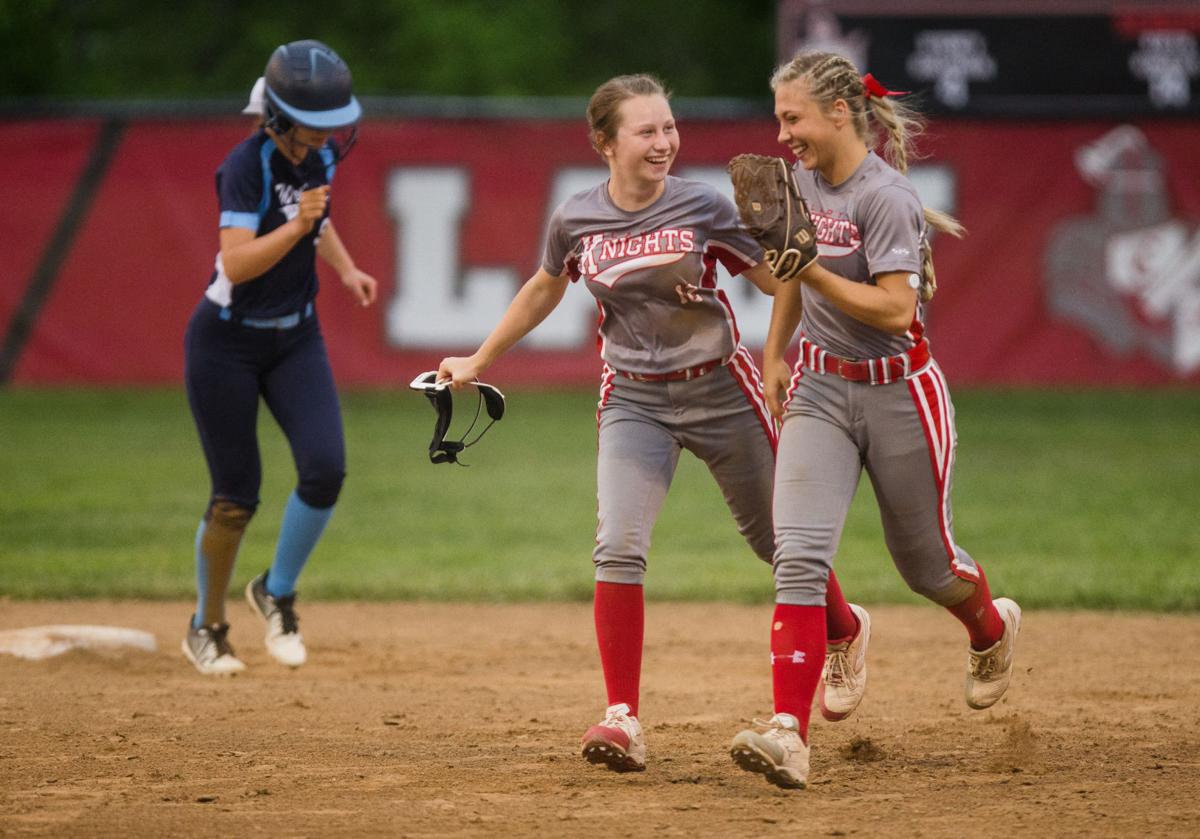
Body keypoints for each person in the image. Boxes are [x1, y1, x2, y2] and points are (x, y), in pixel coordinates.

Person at [437, 73, 866, 772]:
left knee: (777, 543)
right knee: (618, 545)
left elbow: (778, 279)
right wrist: (481, 358)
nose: (664, 141)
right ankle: (622, 718)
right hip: (634, 397)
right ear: (606, 143)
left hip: (722, 389)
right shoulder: (576, 217)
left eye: (669, 127)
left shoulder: (702, 205)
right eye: (647, 130)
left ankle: (844, 628)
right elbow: (546, 283)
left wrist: (803, 256)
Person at [729, 51, 1021, 790]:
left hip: (899, 390)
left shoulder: (884, 197)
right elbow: (794, 280)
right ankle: (787, 732)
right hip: (823, 388)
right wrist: (774, 351)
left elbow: (894, 307)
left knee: (927, 566)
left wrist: (812, 268)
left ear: (838, 111)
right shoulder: (797, 181)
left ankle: (990, 628)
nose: (783, 131)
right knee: (796, 555)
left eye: (792, 117)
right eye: (778, 117)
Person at [181, 39, 377, 675]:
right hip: (226, 341)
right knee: (237, 495)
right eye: (314, 125)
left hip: (296, 335)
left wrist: (345, 269)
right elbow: (236, 262)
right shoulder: (247, 164)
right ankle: (207, 626)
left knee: (325, 468)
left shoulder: (316, 159)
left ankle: (277, 592)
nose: (326, 137)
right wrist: (295, 229)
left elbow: (318, 220)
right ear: (278, 118)